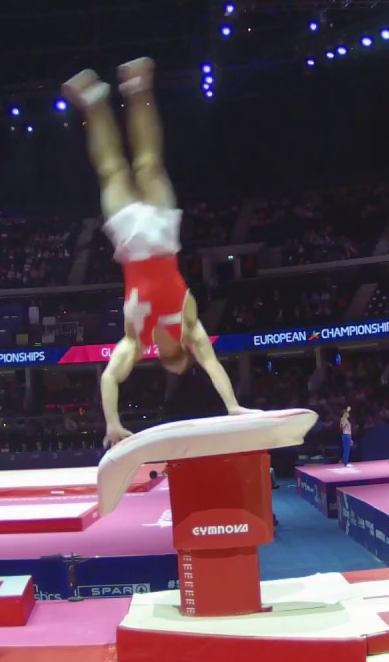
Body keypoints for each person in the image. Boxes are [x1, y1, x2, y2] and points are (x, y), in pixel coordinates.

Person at [62, 58, 252, 448]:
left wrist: (112, 424)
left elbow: (109, 377)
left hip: (131, 243)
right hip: (163, 237)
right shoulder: (190, 326)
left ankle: (94, 100)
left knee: (113, 170)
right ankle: (137, 88)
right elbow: (213, 365)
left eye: (170, 356)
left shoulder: (135, 338)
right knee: (149, 165)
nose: (168, 350)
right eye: (178, 354)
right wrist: (233, 407)